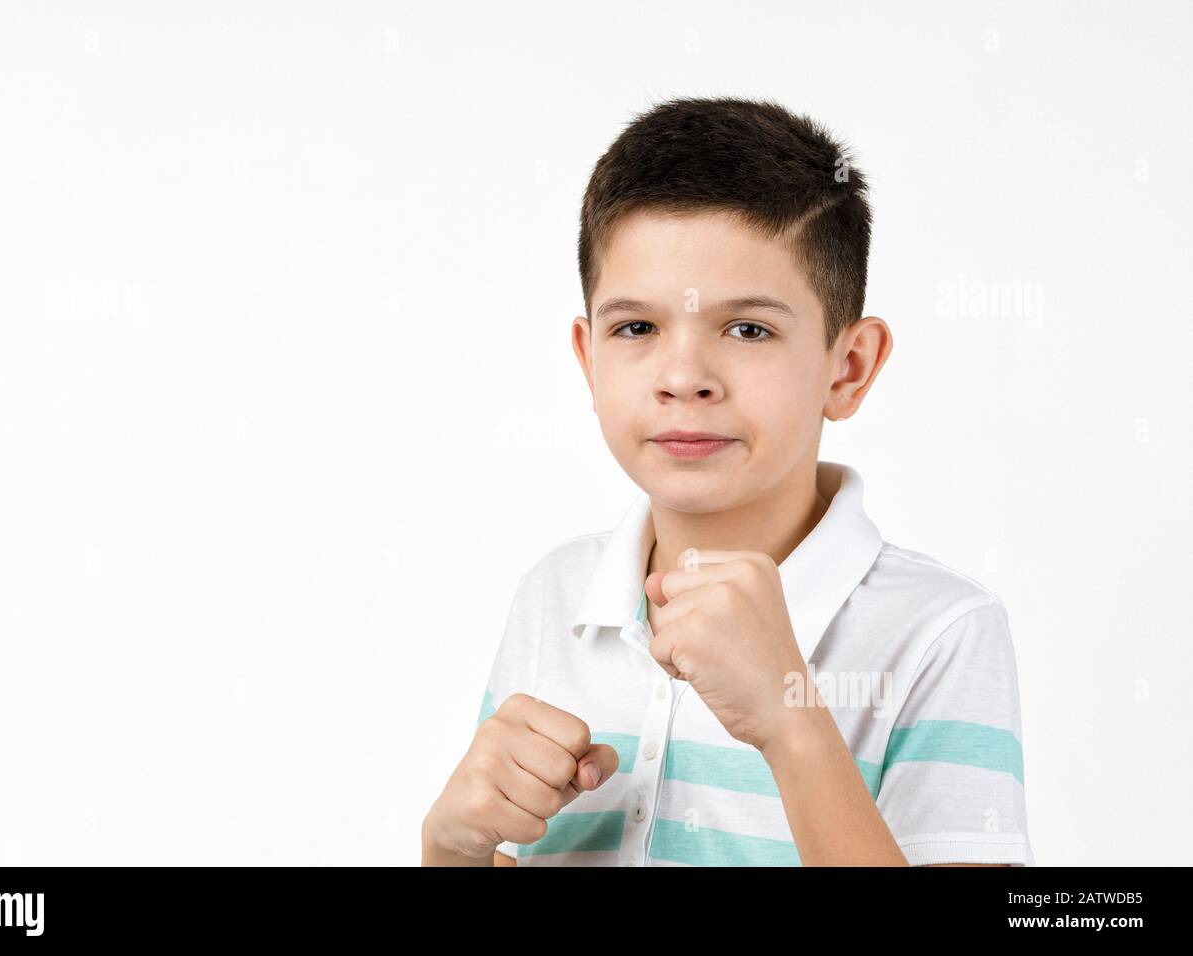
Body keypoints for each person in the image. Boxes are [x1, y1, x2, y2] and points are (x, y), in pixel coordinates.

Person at [421, 97, 1032, 867]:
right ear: (589, 358)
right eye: (636, 328)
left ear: (848, 369)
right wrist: (449, 849)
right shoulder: (554, 595)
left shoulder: (940, 632)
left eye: (748, 329)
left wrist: (792, 723)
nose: (683, 378)